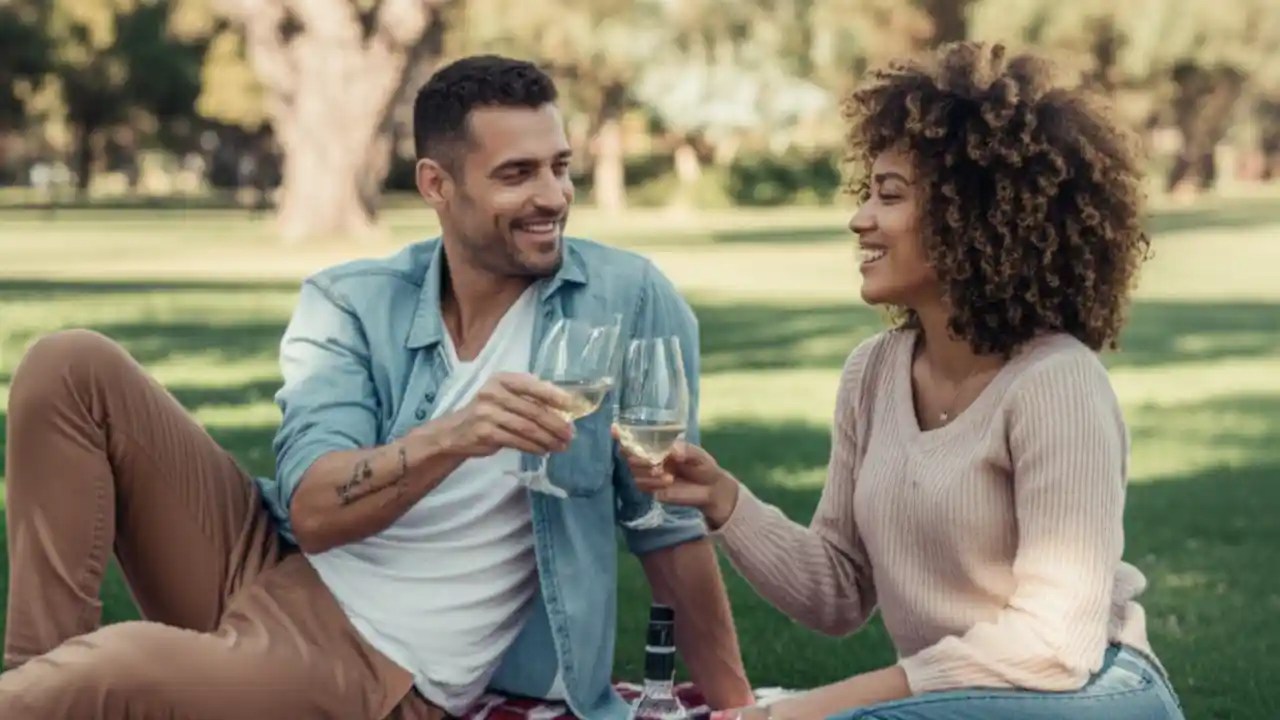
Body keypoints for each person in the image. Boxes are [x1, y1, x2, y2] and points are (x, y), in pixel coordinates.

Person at [0, 55, 754, 719]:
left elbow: (669, 526)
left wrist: (741, 711)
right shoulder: (356, 301)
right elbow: (316, 512)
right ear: (436, 183)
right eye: (517, 174)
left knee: (119, 669)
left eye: (560, 166)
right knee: (70, 365)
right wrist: (455, 435)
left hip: (377, 666)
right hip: (274, 563)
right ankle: (32, 677)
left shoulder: (626, 298)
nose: (553, 196)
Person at [617, 41, 1186, 720]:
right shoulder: (874, 372)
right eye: (867, 192)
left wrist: (806, 709)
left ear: (970, 218)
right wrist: (724, 500)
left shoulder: (1056, 383)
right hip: (958, 697)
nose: (860, 218)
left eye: (889, 196)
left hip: (1092, 691)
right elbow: (839, 591)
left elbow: (1053, 648)